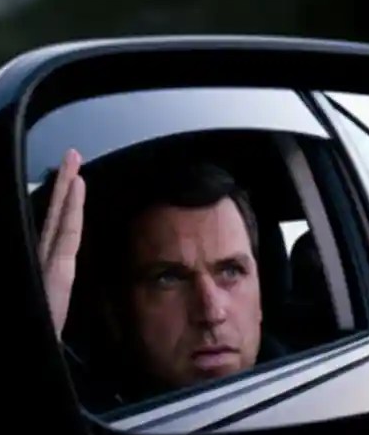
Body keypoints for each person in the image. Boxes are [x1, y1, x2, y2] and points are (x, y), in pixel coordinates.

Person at [37, 147, 287, 404]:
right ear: (115, 309)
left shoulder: (291, 387)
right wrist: (39, 348)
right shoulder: (91, 408)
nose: (212, 313)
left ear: (260, 293)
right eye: (169, 279)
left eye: (231, 271)